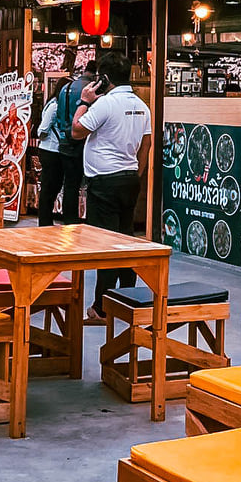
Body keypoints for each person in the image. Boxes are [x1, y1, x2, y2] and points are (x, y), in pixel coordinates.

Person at [72, 51, 151, 319]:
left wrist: (84, 102)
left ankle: (101, 308)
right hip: (129, 180)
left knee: (105, 246)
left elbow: (76, 130)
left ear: (104, 78)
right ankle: (128, 300)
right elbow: (146, 146)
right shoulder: (142, 106)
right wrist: (135, 174)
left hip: (104, 181)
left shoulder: (104, 104)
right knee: (126, 241)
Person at [36, 57, 95, 226]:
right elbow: (42, 129)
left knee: (54, 187)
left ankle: (47, 222)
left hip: (56, 149)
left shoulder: (56, 102)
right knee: (51, 187)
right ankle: (46, 223)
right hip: (51, 150)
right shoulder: (54, 105)